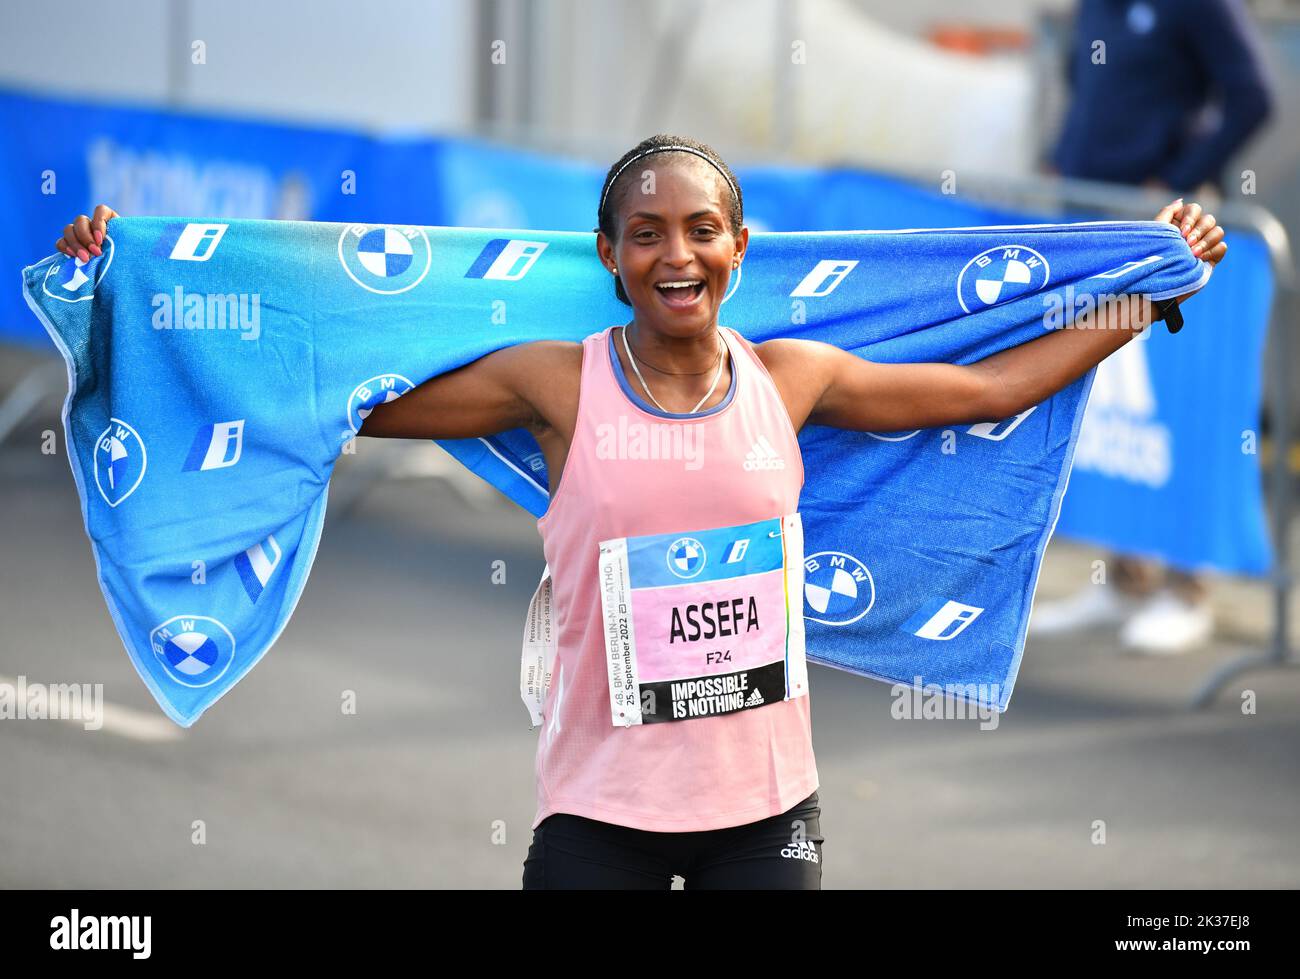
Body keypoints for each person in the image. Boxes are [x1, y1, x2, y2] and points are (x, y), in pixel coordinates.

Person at [57, 134, 1227, 890]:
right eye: (648, 234)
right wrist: (135, 290)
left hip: (768, 818)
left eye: (701, 230)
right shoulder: (555, 385)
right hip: (598, 820)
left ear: (736, 247)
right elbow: (340, 392)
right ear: (611, 257)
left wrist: (1153, 281)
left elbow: (992, 386)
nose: (679, 254)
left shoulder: (794, 376)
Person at [1037, 0, 1273, 653]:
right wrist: (1058, 156)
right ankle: (1123, 579)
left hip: (1171, 236)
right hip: (1093, 227)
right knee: (1113, 402)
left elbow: (1254, 95)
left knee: (1181, 402)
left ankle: (1185, 587)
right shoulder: (1095, 6)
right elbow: (1084, 81)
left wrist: (1171, 179)